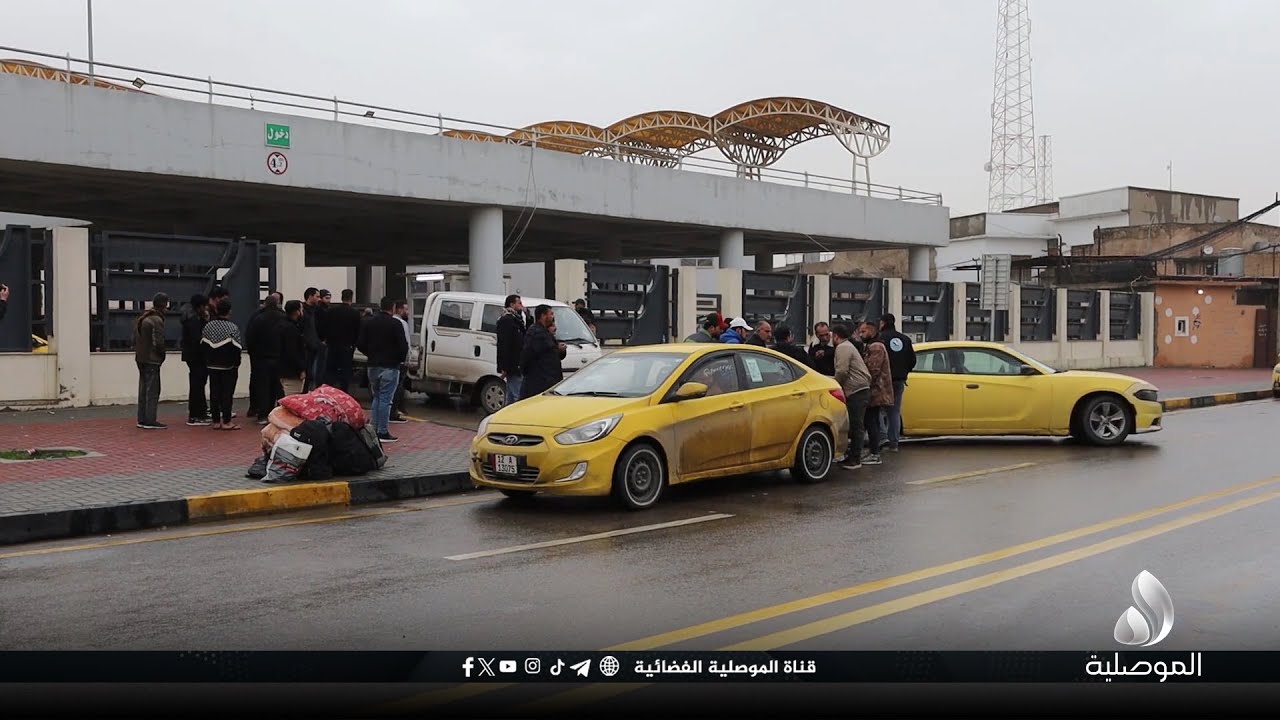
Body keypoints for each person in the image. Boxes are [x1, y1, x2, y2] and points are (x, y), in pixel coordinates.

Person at [358, 296, 409, 443]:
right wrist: (398, 359)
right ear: (392, 308)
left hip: (373, 364)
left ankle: (374, 427)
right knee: (386, 399)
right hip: (390, 366)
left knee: (377, 397)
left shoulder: (369, 323)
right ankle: (383, 431)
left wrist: (371, 353)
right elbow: (403, 346)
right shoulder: (395, 324)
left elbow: (360, 343)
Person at [832, 323, 871, 470]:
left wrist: (834, 384)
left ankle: (855, 458)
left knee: (856, 425)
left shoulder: (842, 348)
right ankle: (853, 456)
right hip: (860, 387)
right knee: (855, 425)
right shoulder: (849, 346)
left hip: (855, 389)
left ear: (836, 336)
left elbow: (842, 371)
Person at [201, 298, 243, 430]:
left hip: (212, 364)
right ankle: (226, 421)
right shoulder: (232, 327)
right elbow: (237, 348)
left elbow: (203, 345)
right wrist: (236, 364)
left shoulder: (208, 326)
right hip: (228, 366)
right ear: (229, 311)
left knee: (214, 392)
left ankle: (215, 421)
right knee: (227, 393)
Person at [878, 313, 916, 452]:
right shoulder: (905, 339)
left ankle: (882, 438)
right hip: (899, 380)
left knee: (878, 410)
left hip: (883, 380)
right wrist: (904, 372)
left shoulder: (880, 339)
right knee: (894, 412)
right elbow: (912, 360)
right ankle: (894, 443)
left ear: (883, 323)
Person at [859, 320, 895, 466]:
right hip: (874, 390)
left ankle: (875, 453)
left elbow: (872, 370)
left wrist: (864, 383)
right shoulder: (871, 345)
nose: (861, 334)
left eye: (863, 331)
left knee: (871, 421)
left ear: (872, 331)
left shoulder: (876, 347)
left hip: (876, 391)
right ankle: (874, 451)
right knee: (870, 421)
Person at [246, 295, 287, 423]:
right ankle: (278, 413)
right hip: (279, 358)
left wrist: (254, 354)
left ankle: (262, 413)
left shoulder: (258, 318)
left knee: (263, 386)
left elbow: (250, 337)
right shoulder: (283, 318)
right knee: (277, 387)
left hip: (261, 358)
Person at [133, 293, 169, 429]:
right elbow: (159, 342)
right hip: (152, 359)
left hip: (141, 358)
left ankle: (142, 419)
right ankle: (150, 420)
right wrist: (162, 355)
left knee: (143, 389)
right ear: (163, 305)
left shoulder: (143, 318)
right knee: (153, 390)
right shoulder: (156, 320)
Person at [519, 304, 567, 400]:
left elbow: (553, 353)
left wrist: (560, 350)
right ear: (543, 316)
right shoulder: (537, 333)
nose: (553, 317)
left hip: (549, 381)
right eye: (551, 314)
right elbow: (529, 356)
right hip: (539, 382)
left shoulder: (546, 333)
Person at [321, 289, 363, 392]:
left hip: (332, 345)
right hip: (347, 346)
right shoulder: (355, 313)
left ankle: (328, 391)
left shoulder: (331, 311)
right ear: (351, 298)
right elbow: (358, 330)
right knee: (345, 371)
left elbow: (325, 327)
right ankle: (344, 392)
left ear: (341, 297)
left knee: (330, 370)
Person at [180, 294, 211, 426]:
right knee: (198, 385)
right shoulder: (194, 322)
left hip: (192, 356)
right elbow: (198, 340)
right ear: (200, 306)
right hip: (197, 357)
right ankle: (196, 414)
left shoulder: (191, 320)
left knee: (197, 384)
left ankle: (199, 412)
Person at [495, 294, 527, 405]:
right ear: (512, 304)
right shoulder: (506, 320)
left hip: (518, 362)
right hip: (513, 364)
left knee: (511, 394)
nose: (522, 305)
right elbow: (504, 344)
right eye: (519, 303)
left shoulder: (518, 319)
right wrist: (504, 366)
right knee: (517, 394)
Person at [278, 300, 308, 396]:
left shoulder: (282, 324)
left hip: (282, 368)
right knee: (292, 398)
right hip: (292, 372)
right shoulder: (292, 328)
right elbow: (293, 351)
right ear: (297, 311)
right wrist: (301, 368)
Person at [390, 299, 412, 423]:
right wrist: (407, 358)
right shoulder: (401, 323)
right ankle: (395, 411)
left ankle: (394, 410)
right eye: (405, 309)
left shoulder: (393, 321)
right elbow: (406, 343)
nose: (407, 312)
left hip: (393, 359)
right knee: (398, 387)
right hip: (400, 360)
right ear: (398, 309)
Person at [301, 288, 325, 392]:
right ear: (310, 296)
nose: (319, 299)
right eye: (317, 296)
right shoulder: (303, 312)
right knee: (308, 375)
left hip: (316, 346)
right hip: (307, 347)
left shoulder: (318, 311)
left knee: (315, 374)